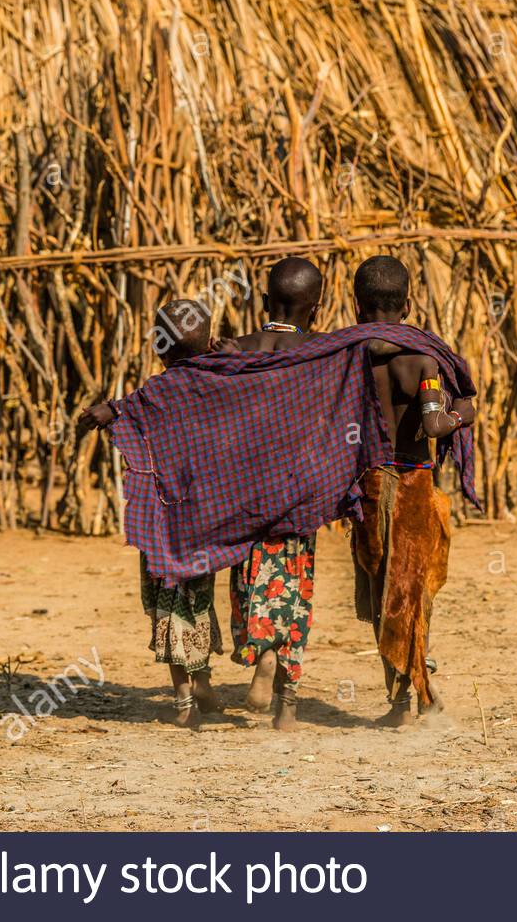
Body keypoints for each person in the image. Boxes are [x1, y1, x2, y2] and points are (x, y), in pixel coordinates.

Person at [78, 301, 222, 729]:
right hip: (208, 523)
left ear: (160, 349)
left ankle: (185, 706)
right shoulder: (221, 385)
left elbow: (117, 411)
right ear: (210, 343)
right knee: (197, 601)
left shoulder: (155, 393)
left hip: (166, 528)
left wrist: (102, 412)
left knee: (170, 607)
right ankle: (205, 686)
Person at [351, 255, 475, 727]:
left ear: (357, 305)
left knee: (384, 588)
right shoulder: (422, 359)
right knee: (412, 591)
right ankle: (413, 692)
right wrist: (465, 412)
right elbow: (433, 424)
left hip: (368, 487)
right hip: (414, 487)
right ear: (408, 302)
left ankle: (405, 693)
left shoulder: (348, 358)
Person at [223, 256, 324, 732]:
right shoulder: (325, 352)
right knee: (293, 588)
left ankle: (258, 648)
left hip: (245, 491)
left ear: (264, 301)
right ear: (317, 307)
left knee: (251, 579)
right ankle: (287, 705)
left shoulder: (236, 350)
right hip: (299, 493)